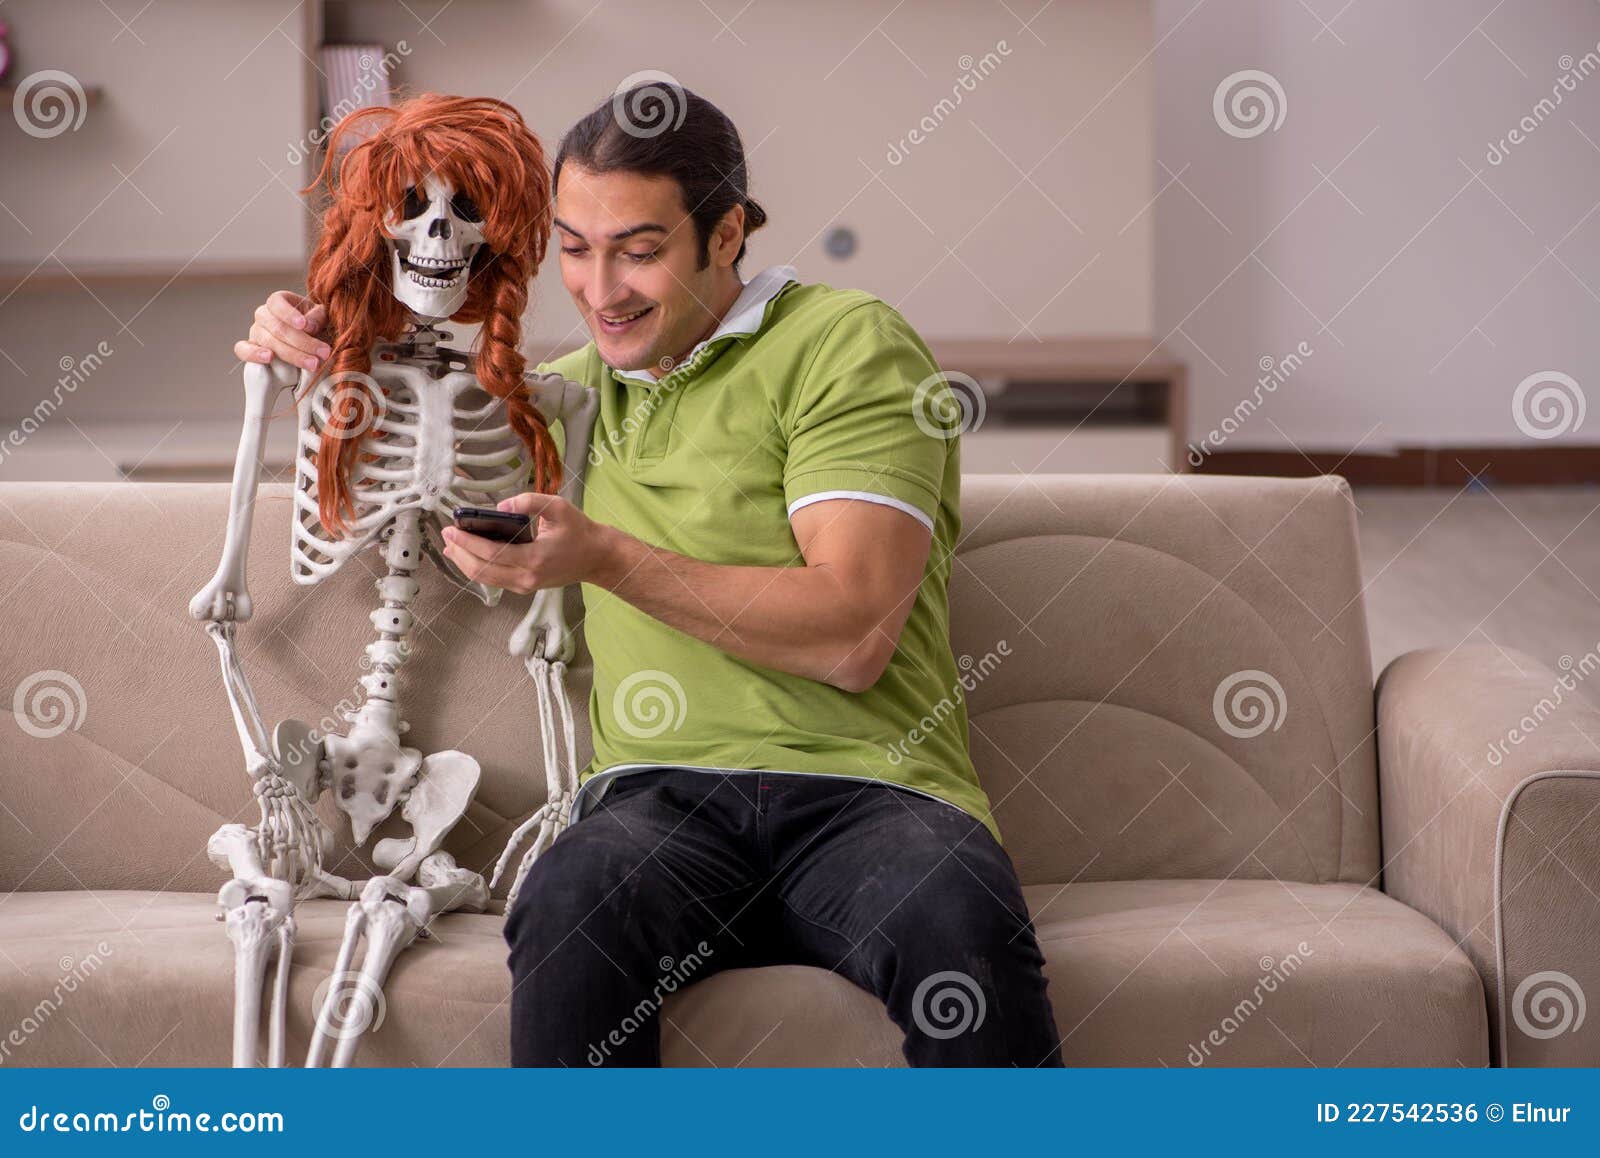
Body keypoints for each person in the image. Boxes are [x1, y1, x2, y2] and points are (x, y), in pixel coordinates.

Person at [235, 84, 1062, 1068]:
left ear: (728, 234)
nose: (600, 289)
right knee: (571, 903)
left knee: (956, 930)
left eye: (638, 249)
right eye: (574, 250)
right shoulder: (569, 398)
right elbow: (422, 510)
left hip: (872, 795)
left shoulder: (846, 345)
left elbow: (850, 632)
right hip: (656, 807)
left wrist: (610, 558)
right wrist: (319, 349)